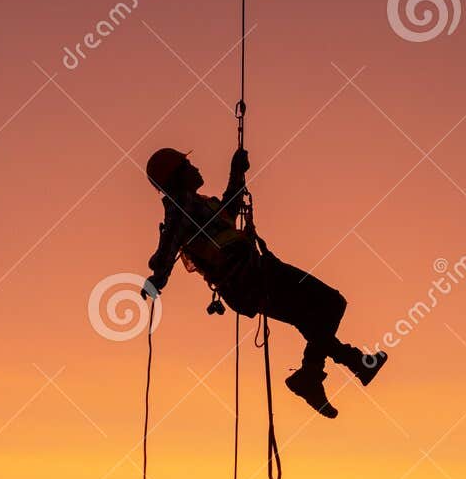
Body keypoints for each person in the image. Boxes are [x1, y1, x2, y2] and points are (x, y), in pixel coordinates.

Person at [139, 146, 385, 419]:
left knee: (314, 317)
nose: (195, 167)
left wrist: (236, 171)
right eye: (188, 164)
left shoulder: (200, 205)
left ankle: (322, 374)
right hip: (249, 278)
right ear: (178, 175)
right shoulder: (180, 207)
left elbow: (228, 210)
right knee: (330, 303)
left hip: (251, 277)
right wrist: (157, 279)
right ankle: (331, 370)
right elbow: (169, 244)